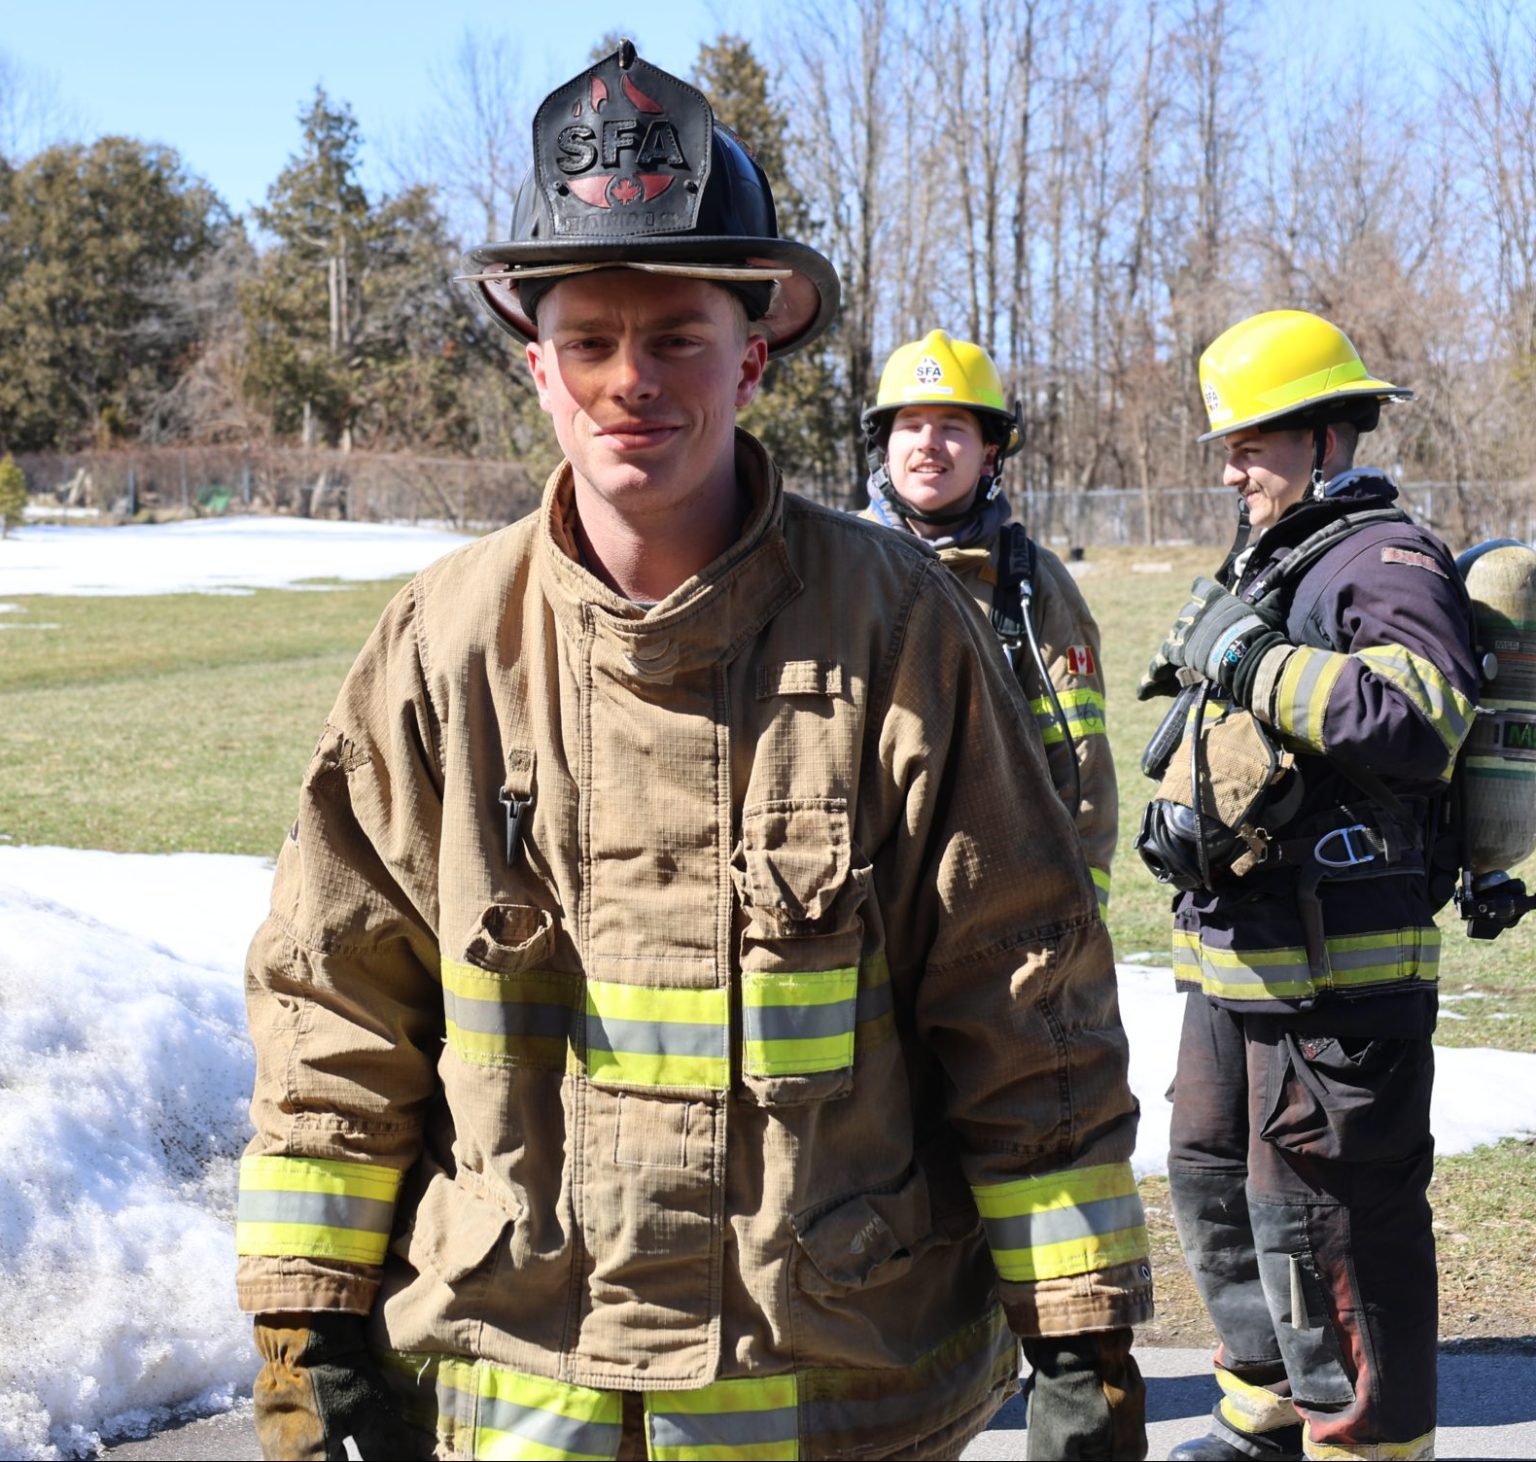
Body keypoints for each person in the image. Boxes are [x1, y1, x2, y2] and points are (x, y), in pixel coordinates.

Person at [234, 43, 1151, 1462]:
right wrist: (310, 1323)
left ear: (754, 353)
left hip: (836, 1387)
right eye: (589, 342)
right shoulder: (443, 644)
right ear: (536, 364)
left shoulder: (900, 629)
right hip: (522, 1387)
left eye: (676, 339)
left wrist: (1081, 1337)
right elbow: (335, 1001)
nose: (629, 383)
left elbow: (1023, 1001)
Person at [1137, 309, 1478, 1462]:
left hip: (1343, 982)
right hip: (1243, 965)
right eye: (1228, 444)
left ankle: (1368, 1442)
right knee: (1217, 1185)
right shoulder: (1284, 553)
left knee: (1331, 1225)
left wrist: (1245, 659)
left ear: (1330, 437)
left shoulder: (1381, 557)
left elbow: (1417, 716)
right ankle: (1264, 1416)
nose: (1233, 467)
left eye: (1255, 444)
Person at [861, 330, 1118, 914]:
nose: (929, 444)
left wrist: (1074, 916)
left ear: (990, 453)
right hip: (857, 904)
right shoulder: (831, 568)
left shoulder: (1034, 586)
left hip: (985, 907)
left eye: (953, 427)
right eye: (911, 424)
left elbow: (1079, 773)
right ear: (884, 444)